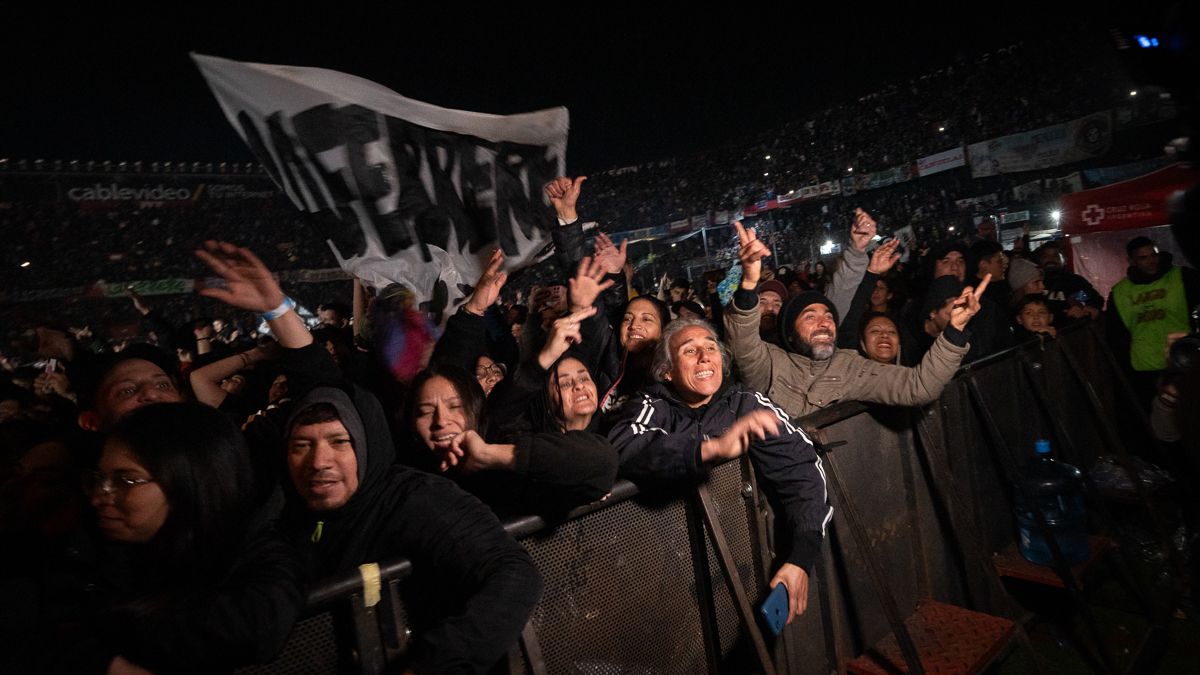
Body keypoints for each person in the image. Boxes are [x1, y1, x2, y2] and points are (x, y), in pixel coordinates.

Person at [195, 240, 542, 673]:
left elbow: (512, 571)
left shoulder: (412, 496)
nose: (320, 461)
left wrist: (430, 665)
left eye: (339, 443)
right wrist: (275, 308)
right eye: (302, 446)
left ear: (364, 445)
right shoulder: (278, 520)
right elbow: (321, 383)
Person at [7, 402, 305, 674]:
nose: (100, 496)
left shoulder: (254, 549)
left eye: (125, 481)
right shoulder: (86, 548)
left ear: (191, 482)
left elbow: (257, 624)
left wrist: (102, 637)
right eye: (99, 479)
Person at [607, 318, 831, 626]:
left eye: (710, 348)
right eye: (690, 350)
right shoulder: (651, 403)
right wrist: (711, 448)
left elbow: (801, 468)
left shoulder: (746, 403)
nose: (704, 357)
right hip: (669, 570)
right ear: (668, 371)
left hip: (741, 558)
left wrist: (801, 557)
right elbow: (623, 445)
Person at [726, 222, 984, 417]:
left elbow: (920, 386)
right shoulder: (770, 363)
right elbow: (743, 342)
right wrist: (749, 283)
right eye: (810, 316)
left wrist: (955, 330)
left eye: (828, 316)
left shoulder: (852, 368)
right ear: (790, 334)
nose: (824, 322)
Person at [1106, 236, 1200, 402]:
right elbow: (1116, 336)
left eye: (1153, 255)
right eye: (1143, 257)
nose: (1151, 261)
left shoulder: (1183, 277)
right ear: (1131, 261)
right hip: (1144, 369)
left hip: (1182, 363)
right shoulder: (1120, 292)